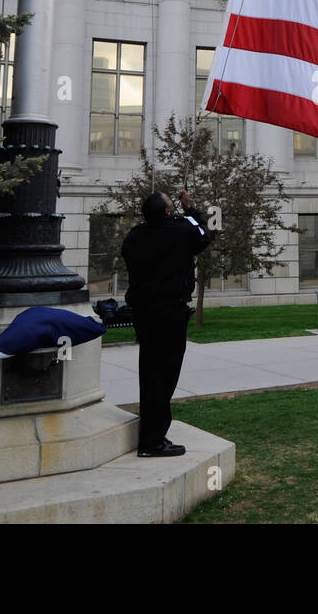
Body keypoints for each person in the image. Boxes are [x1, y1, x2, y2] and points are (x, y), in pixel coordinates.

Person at [121, 189, 214, 456]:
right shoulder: (181, 229)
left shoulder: (135, 236)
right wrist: (191, 209)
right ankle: (153, 441)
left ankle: (149, 434)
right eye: (172, 206)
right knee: (165, 375)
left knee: (149, 372)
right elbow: (206, 234)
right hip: (169, 314)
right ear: (168, 212)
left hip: (143, 313)